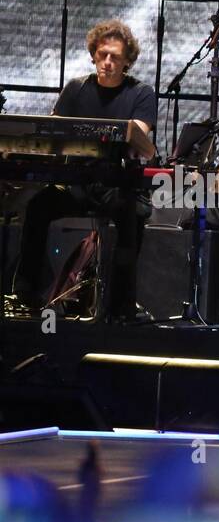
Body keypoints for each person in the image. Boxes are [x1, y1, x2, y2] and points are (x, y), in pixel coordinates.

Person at [8, 20, 157, 321]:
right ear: (93, 54)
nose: (108, 62)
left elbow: (137, 135)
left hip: (117, 186)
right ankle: (27, 294)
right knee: (38, 207)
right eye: (103, 54)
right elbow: (52, 133)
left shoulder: (140, 93)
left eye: (115, 56)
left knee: (131, 213)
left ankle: (120, 305)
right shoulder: (76, 89)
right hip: (77, 184)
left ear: (128, 60)